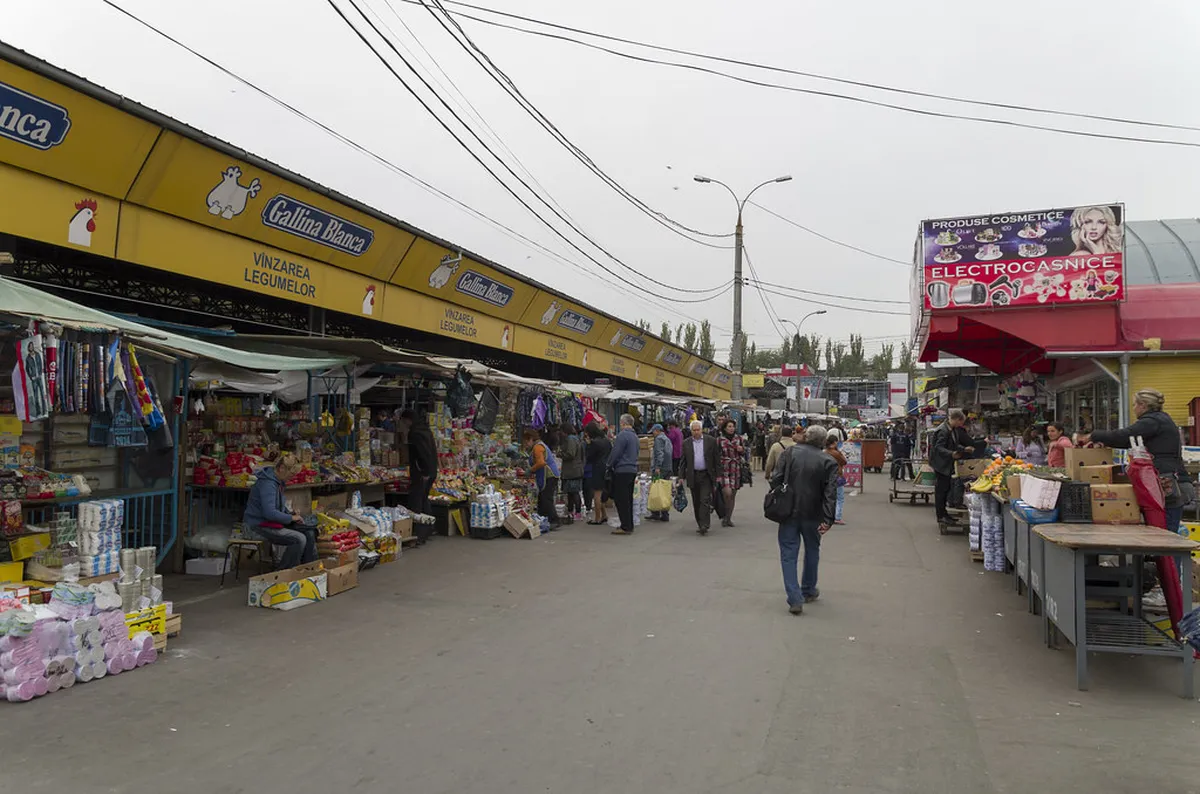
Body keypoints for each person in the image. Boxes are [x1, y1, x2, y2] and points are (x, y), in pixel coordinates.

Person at [1079, 388, 1194, 536]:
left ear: (1143, 405)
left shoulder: (1152, 421)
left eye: (1135, 405)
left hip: (1169, 483)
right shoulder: (1161, 419)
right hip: (1172, 480)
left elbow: (1125, 436)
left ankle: (1171, 559)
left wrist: (1094, 436)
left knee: (1167, 537)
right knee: (1164, 534)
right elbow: (1129, 441)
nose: (1133, 409)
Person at [773, 425, 838, 615]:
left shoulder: (790, 452)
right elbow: (830, 493)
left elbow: (776, 478)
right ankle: (808, 589)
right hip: (814, 513)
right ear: (824, 441)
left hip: (789, 511)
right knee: (812, 550)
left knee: (788, 553)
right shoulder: (829, 461)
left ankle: (795, 598)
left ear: (806, 436)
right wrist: (828, 518)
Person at [243, 454, 316, 569]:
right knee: (299, 539)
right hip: (257, 526)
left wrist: (290, 514)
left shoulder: (277, 483)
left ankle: (309, 570)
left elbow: (278, 508)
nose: (291, 478)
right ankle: (284, 573)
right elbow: (270, 513)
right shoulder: (268, 484)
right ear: (282, 468)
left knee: (309, 533)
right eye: (291, 474)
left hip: (270, 523)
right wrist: (291, 518)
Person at [928, 409, 985, 531]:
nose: (961, 425)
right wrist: (952, 453)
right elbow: (938, 448)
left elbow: (953, 445)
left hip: (946, 464)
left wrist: (964, 449)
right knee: (941, 491)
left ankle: (944, 514)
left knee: (946, 489)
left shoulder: (951, 430)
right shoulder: (943, 430)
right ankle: (941, 515)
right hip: (941, 464)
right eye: (960, 422)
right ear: (956, 420)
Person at [680, 419, 720, 535]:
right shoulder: (686, 443)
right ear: (691, 431)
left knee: (704, 500)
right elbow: (683, 462)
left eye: (698, 430)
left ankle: (705, 524)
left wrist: (718, 475)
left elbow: (716, 459)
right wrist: (681, 476)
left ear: (702, 430)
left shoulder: (711, 441)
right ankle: (700, 523)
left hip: (706, 475)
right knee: (696, 501)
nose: (696, 432)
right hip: (693, 475)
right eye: (694, 430)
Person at [401, 409, 438, 518]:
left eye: (404, 421)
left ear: (408, 420)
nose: (403, 424)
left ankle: (421, 527)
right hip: (429, 470)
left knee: (417, 500)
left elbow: (423, 453)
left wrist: (424, 471)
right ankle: (427, 526)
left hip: (421, 472)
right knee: (423, 498)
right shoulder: (425, 430)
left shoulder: (415, 433)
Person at [607, 414, 640, 535]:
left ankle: (625, 526)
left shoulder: (622, 436)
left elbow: (616, 453)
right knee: (628, 500)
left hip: (622, 470)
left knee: (621, 499)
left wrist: (609, 465)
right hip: (632, 469)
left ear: (622, 423)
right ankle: (629, 524)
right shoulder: (635, 436)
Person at [524, 429, 560, 528]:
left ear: (531, 439)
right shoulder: (538, 446)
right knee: (542, 498)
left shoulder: (538, 447)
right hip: (547, 475)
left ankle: (554, 520)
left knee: (546, 498)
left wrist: (530, 470)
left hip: (549, 475)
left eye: (526, 442)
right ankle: (543, 519)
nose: (526, 444)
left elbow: (541, 463)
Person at [716, 419, 745, 528]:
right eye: (729, 426)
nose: (731, 428)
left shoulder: (739, 439)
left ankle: (728, 518)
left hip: (735, 468)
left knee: (732, 494)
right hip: (724, 468)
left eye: (733, 426)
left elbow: (744, 453)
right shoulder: (719, 440)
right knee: (726, 493)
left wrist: (741, 450)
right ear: (724, 428)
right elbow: (716, 454)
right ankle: (724, 514)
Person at [584, 422, 611, 525]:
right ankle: (604, 515)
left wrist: (588, 444)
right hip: (606, 468)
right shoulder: (607, 441)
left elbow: (589, 456)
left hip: (596, 468)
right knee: (602, 492)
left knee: (597, 493)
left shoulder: (594, 443)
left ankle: (597, 518)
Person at [558, 423, 585, 520]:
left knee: (574, 492)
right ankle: (571, 511)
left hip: (572, 470)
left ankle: (577, 512)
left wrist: (560, 454)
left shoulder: (571, 439)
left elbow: (571, 454)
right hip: (575, 469)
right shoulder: (576, 438)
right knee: (571, 492)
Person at [648, 424, 672, 521]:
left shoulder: (658, 439)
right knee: (664, 490)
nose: (653, 434)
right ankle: (664, 512)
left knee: (656, 489)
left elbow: (659, 454)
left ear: (657, 430)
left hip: (660, 469)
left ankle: (656, 512)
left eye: (653, 432)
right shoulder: (667, 439)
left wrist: (657, 467)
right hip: (667, 467)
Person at [825, 435, 848, 525]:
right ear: (834, 442)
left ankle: (827, 515)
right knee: (839, 497)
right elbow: (844, 462)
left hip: (826, 476)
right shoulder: (836, 453)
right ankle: (837, 517)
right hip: (837, 475)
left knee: (828, 497)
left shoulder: (824, 452)